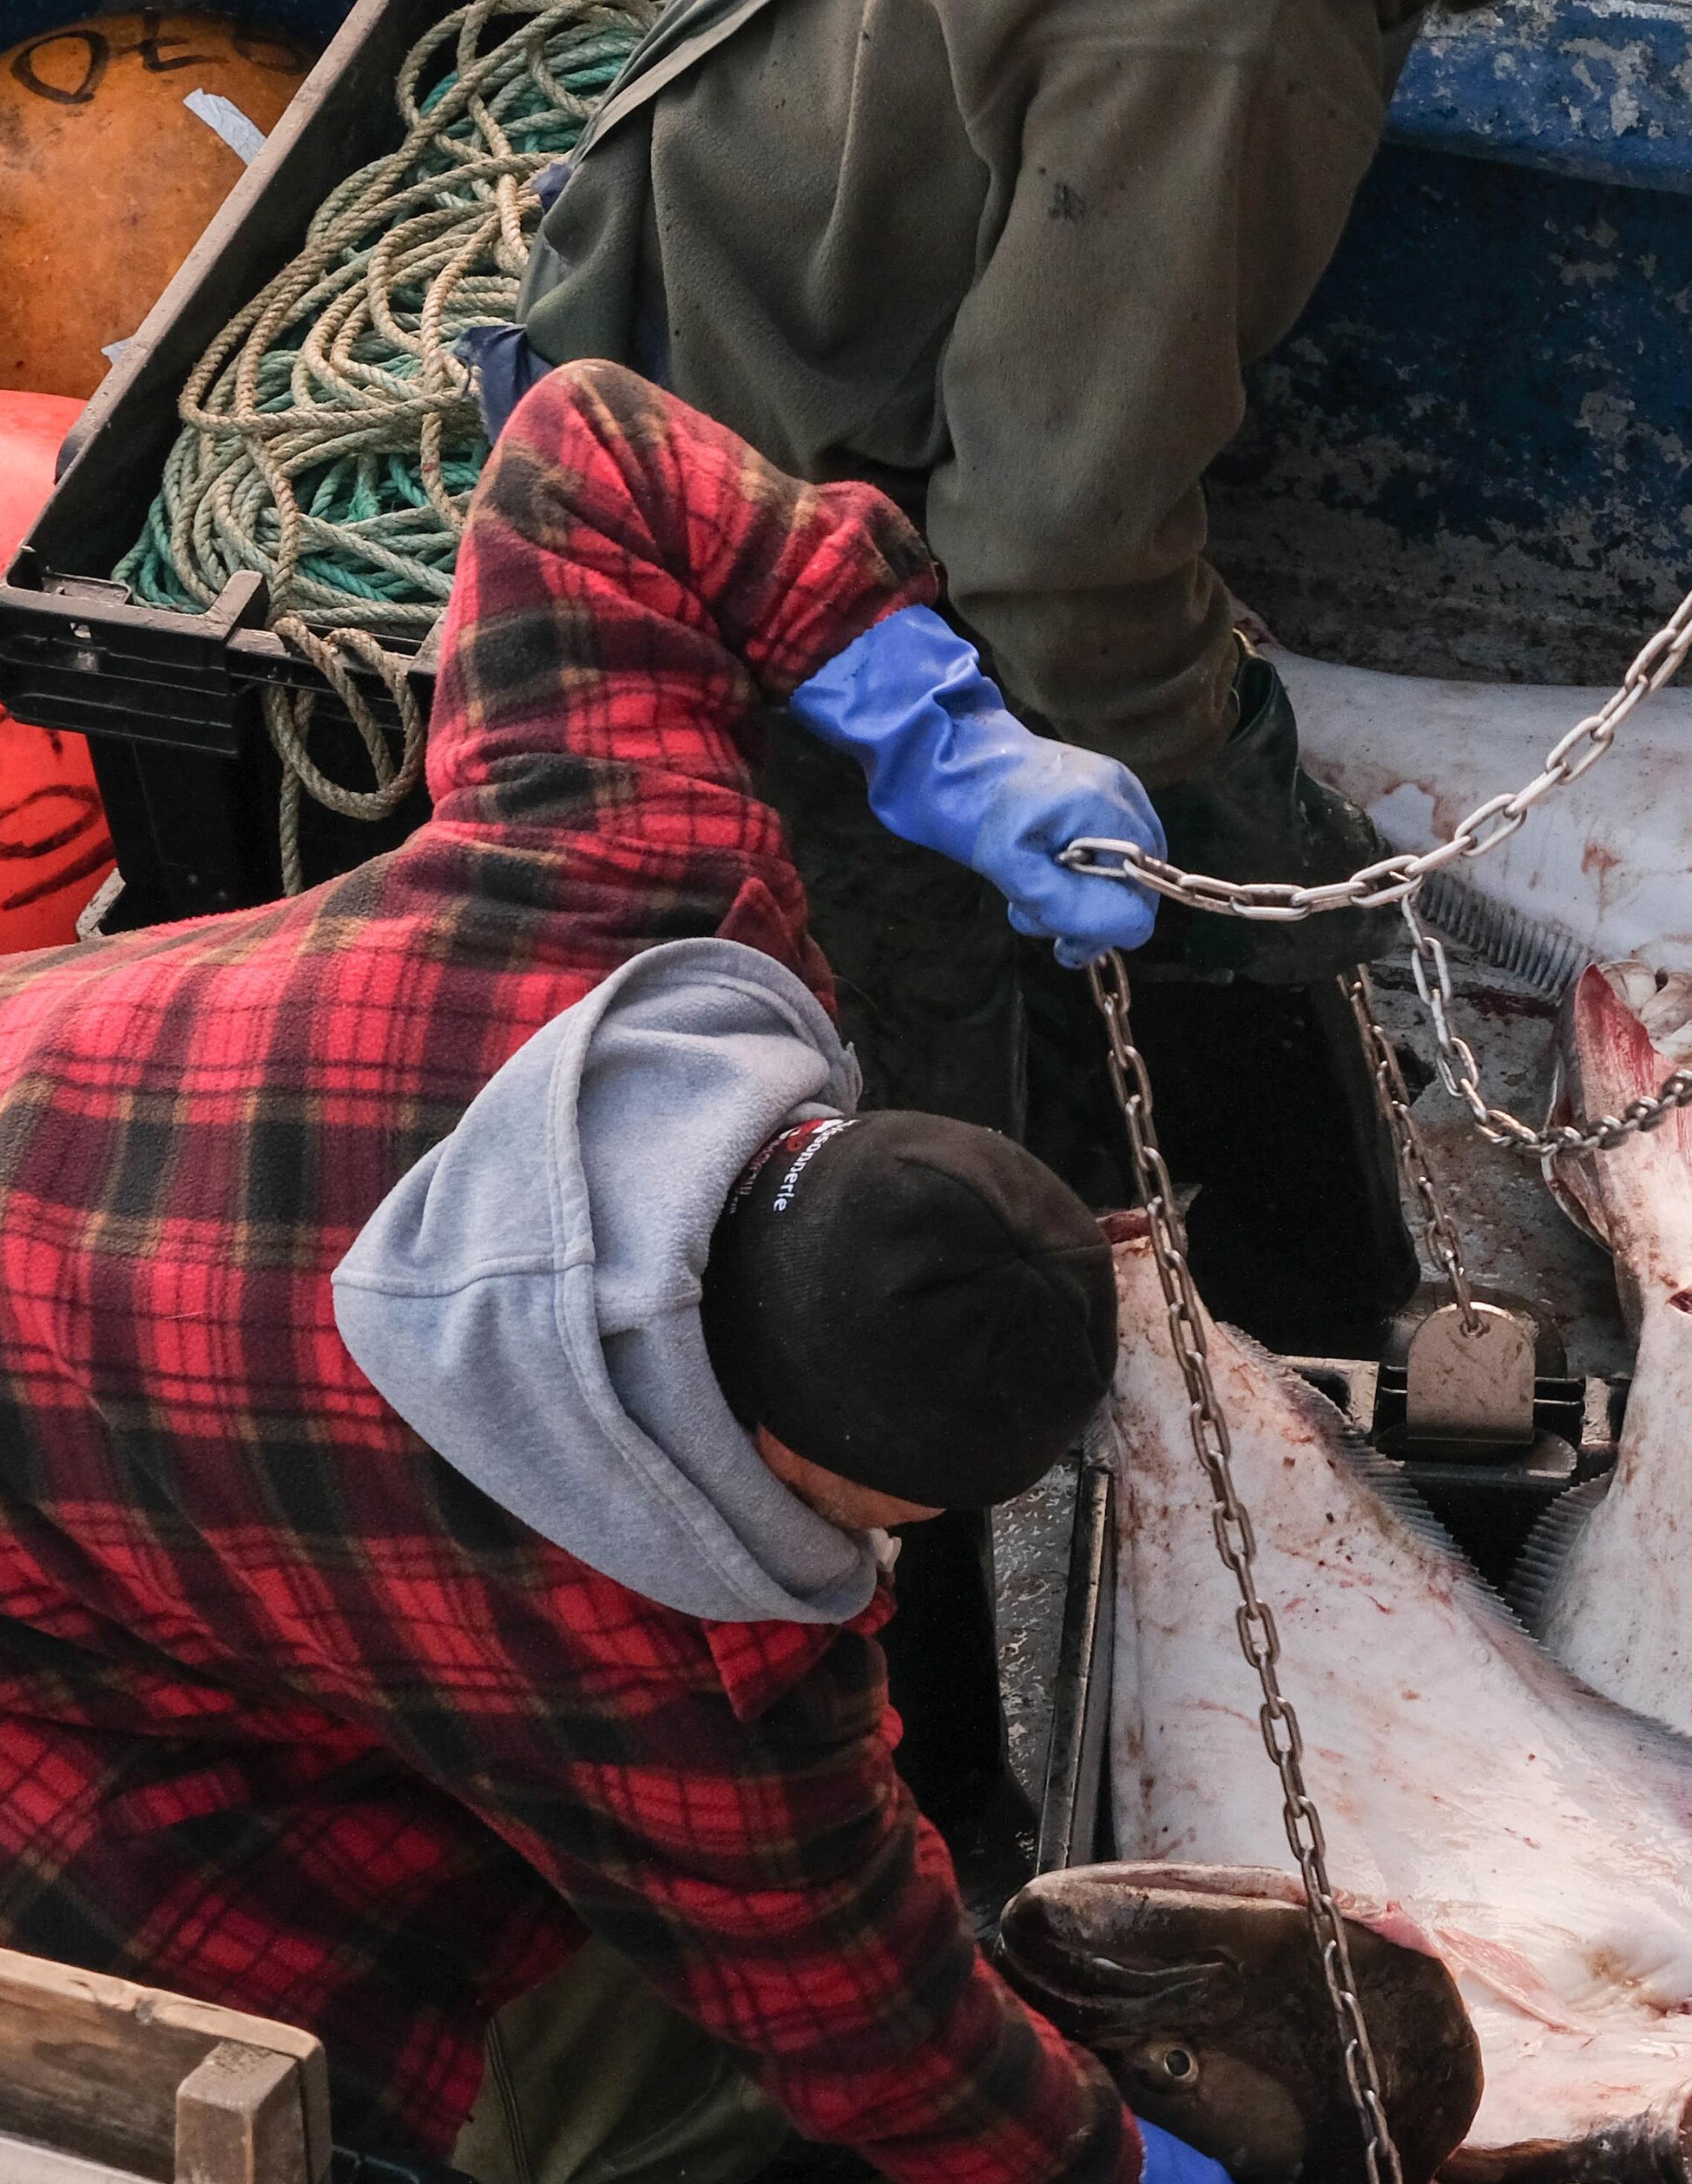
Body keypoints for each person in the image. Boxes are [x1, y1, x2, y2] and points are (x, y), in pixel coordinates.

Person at [0, 363, 1478, 2184]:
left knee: (446, 1757)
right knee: (545, 2093)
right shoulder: (651, 1669)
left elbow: (593, 455)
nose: (892, 1558)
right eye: (886, 1521)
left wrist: (931, 717)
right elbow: (861, 2029)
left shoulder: (634, 881)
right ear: (804, 1465)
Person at [511, 0, 1443, 1355]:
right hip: (718, 481)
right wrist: (1218, 792)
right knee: (915, 1157)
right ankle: (926, 1456)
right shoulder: (1242, 35)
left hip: (731, 272)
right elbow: (1057, 562)